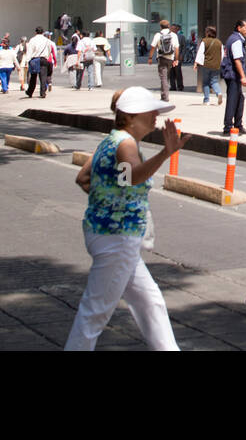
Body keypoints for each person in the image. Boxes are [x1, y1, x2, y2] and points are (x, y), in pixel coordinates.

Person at [65, 87, 188, 350]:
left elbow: (84, 178)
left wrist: (108, 200)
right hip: (117, 239)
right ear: (131, 116)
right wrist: (166, 153)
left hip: (109, 236)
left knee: (150, 302)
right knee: (95, 311)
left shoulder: (111, 140)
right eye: (150, 111)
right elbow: (131, 175)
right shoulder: (126, 143)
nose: (156, 115)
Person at [221, 20, 246, 135]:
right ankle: (228, 127)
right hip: (233, 74)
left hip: (232, 74)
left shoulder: (233, 38)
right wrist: (243, 77)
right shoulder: (236, 41)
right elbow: (237, 60)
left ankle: (237, 125)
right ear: (239, 28)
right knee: (233, 100)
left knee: (239, 99)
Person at [148, 19, 178, 101]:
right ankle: (165, 94)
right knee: (166, 77)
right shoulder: (173, 35)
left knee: (163, 78)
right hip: (170, 58)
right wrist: (176, 59)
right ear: (169, 26)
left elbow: (153, 47)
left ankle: (165, 97)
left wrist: (150, 58)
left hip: (161, 58)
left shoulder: (158, 35)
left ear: (160, 26)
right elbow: (177, 48)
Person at [195, 25, 224, 106]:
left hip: (207, 65)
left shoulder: (204, 41)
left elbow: (200, 53)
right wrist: (219, 63)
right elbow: (221, 55)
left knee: (206, 83)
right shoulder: (219, 42)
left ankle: (206, 100)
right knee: (214, 81)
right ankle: (219, 93)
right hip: (216, 65)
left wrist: (196, 63)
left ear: (208, 33)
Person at [24, 27, 53, 98]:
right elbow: (49, 50)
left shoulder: (32, 40)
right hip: (43, 59)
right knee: (43, 77)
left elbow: (29, 51)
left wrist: (27, 61)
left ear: (36, 32)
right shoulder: (47, 40)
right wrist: (47, 57)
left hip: (34, 59)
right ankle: (43, 92)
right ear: (42, 32)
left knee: (33, 77)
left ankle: (30, 92)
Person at [168, 24, 185, 92]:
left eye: (174, 28)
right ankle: (173, 86)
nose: (172, 30)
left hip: (177, 57)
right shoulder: (168, 37)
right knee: (171, 73)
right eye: (171, 28)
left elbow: (184, 47)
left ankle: (180, 86)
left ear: (177, 29)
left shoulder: (181, 37)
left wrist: (182, 55)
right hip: (170, 57)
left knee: (178, 72)